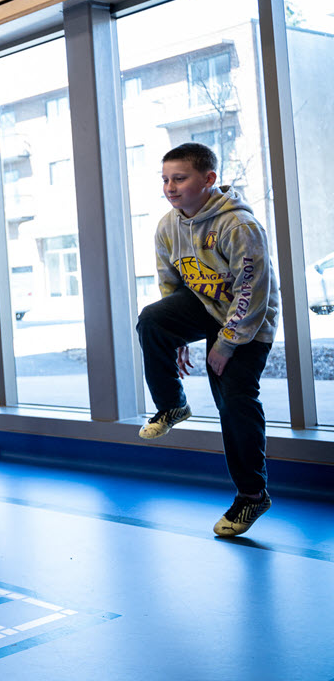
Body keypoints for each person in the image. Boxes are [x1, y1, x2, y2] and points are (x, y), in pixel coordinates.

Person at [136, 142, 279, 537]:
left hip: (248, 318)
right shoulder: (167, 226)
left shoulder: (239, 226)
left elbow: (252, 292)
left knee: (233, 401)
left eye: (179, 178)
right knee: (151, 320)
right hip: (204, 304)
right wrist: (176, 337)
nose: (170, 187)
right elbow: (171, 283)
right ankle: (172, 406)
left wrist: (226, 343)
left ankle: (252, 496)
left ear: (209, 179)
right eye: (165, 179)